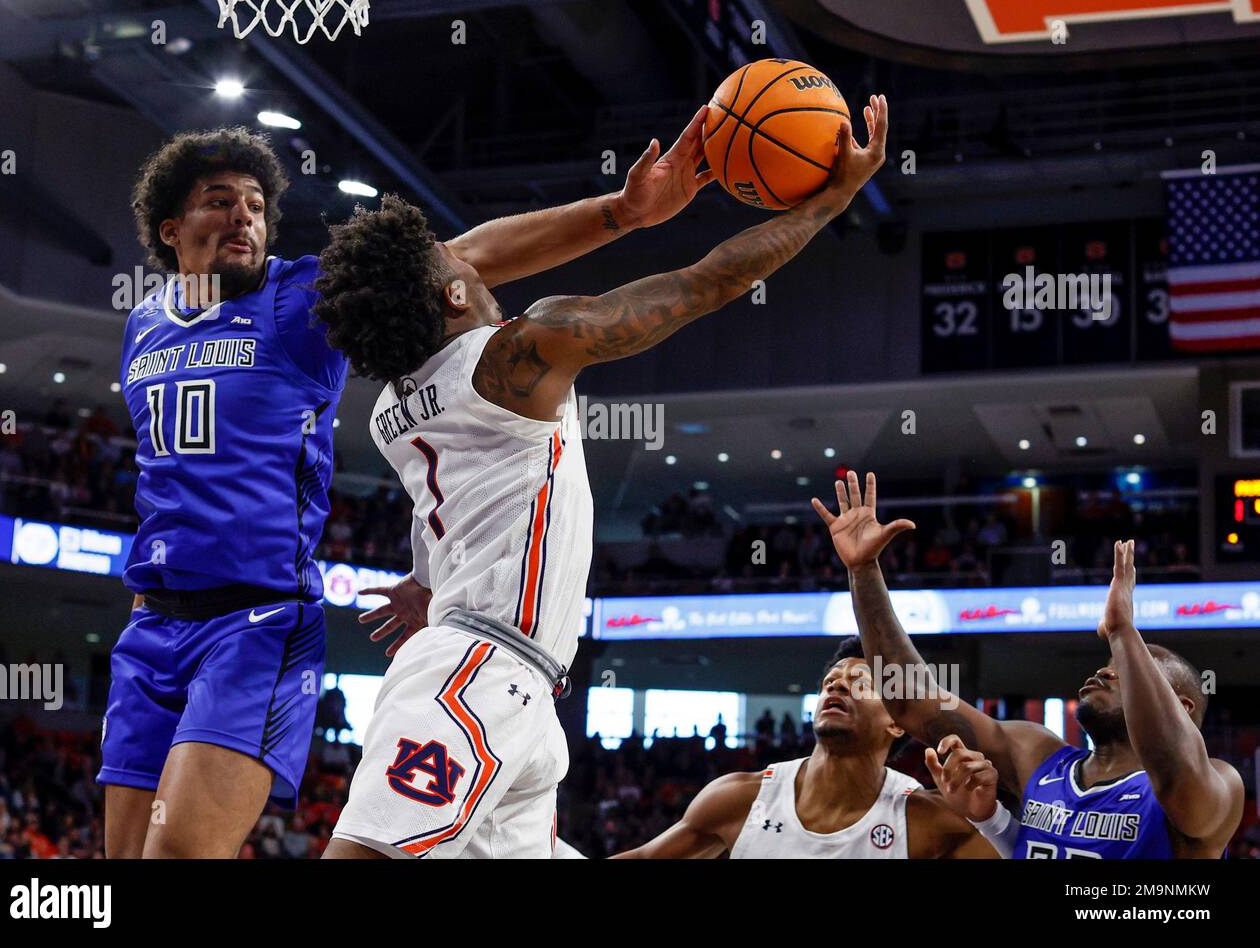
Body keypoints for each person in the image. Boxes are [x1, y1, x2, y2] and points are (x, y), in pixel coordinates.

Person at [99, 115, 728, 858]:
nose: (244, 215)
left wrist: (621, 212)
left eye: (256, 205)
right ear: (170, 228)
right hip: (152, 625)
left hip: (253, 623)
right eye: (219, 199)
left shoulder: (294, 299)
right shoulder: (143, 323)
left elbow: (463, 258)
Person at [316, 97, 892, 858]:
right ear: (453, 293)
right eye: (453, 258)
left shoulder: (393, 402)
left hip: (512, 673)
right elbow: (709, 281)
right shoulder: (518, 356)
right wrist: (832, 200)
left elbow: (469, 265)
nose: (471, 254)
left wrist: (624, 211)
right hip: (476, 667)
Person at [814, 470, 1244, 858]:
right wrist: (864, 571)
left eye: (1134, 668)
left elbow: (1173, 769)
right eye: (1112, 662)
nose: (1107, 670)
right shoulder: (1037, 754)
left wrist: (1124, 634)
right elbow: (913, 703)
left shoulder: (1218, 787)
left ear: (1184, 708)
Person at [613, 637, 995, 859]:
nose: (837, 686)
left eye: (860, 683)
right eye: (831, 681)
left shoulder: (929, 820)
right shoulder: (739, 798)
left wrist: (990, 820)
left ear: (897, 722)